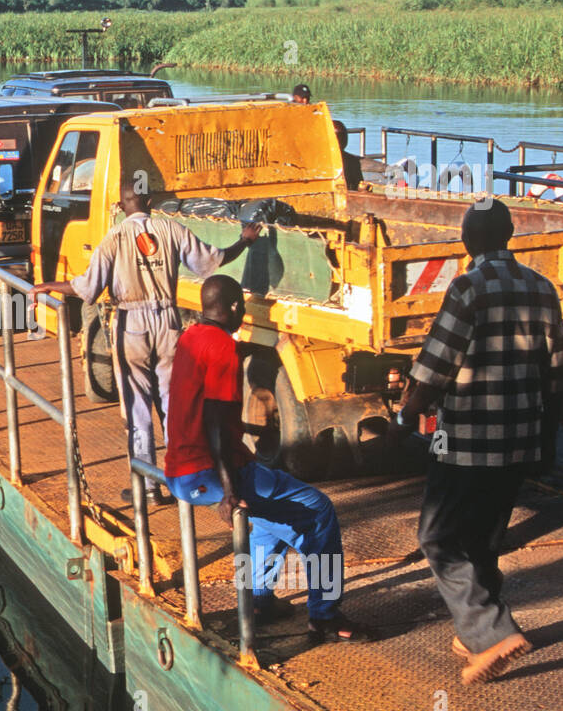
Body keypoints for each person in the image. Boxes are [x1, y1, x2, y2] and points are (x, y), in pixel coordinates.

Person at [394, 200, 563, 684]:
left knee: (437, 537)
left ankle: (493, 631)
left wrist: (406, 415)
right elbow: (557, 371)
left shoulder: (467, 287)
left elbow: (435, 368)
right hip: (521, 439)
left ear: (468, 241)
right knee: (482, 537)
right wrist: (549, 441)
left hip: (467, 441)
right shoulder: (542, 288)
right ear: (511, 234)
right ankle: (473, 632)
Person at [164, 275, 367, 641]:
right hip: (210, 471)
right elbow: (214, 426)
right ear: (235, 308)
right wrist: (228, 492)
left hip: (179, 472)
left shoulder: (191, 336)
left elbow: (202, 412)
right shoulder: (222, 348)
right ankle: (325, 614)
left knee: (269, 519)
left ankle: (257, 600)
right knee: (318, 510)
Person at [32, 183, 261, 503]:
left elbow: (87, 289)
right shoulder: (170, 227)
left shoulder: (114, 238)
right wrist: (245, 242)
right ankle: (180, 479)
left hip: (131, 325)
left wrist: (46, 286)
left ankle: (147, 488)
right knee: (173, 405)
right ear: (149, 202)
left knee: (137, 409)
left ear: (122, 205)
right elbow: (213, 262)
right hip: (168, 322)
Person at [331, 120, 363, 191]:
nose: (341, 141)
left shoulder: (352, 161)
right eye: (339, 137)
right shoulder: (352, 161)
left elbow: (359, 186)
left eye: (343, 137)